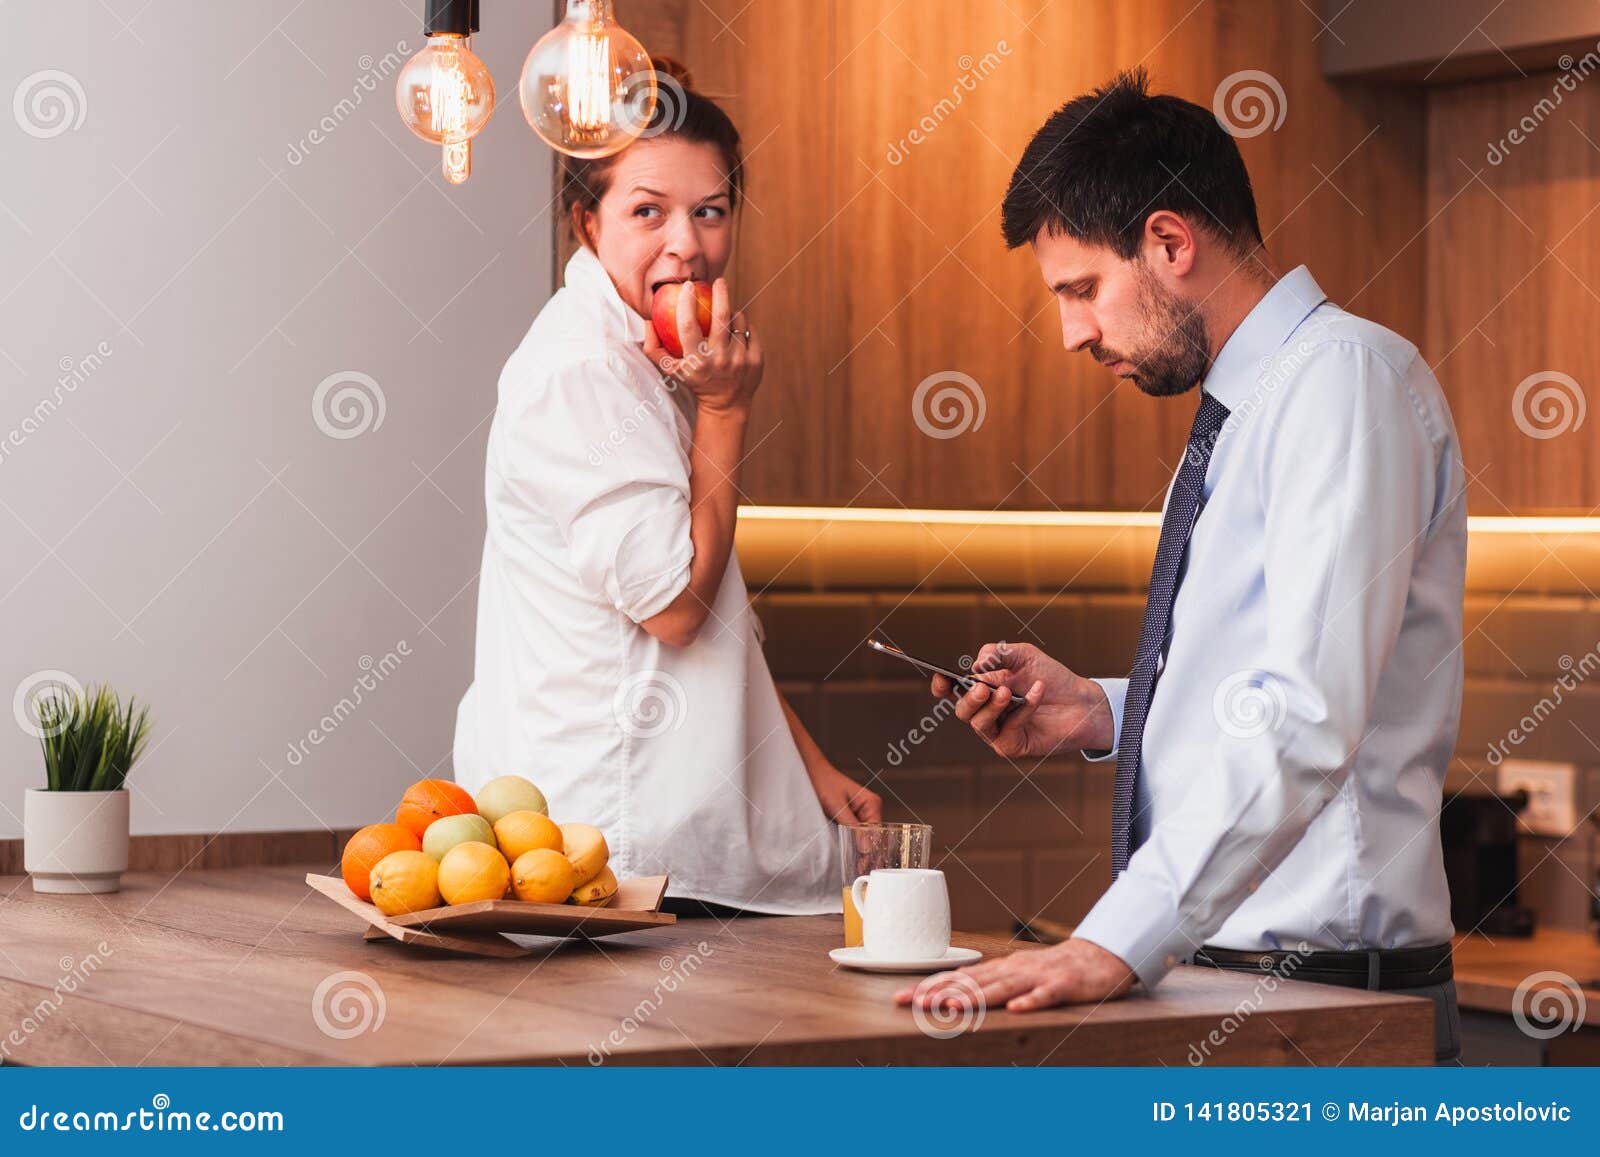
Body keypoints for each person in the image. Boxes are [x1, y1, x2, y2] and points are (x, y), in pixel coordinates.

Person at [898, 70, 1466, 1063]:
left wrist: (1112, 938)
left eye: (1081, 289)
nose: (1073, 330)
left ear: (1169, 242)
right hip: (1230, 982)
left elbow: (1305, 711)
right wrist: (1108, 710)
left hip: (1325, 1012)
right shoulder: (1243, 411)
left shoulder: (1340, 383)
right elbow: (1266, 676)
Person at [454, 60, 881, 917]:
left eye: (710, 211)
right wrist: (726, 410)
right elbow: (675, 608)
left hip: (635, 839)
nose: (686, 243)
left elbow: (706, 602)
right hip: (623, 849)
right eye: (647, 211)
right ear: (588, 221)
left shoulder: (635, 355)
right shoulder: (585, 372)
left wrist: (805, 763)